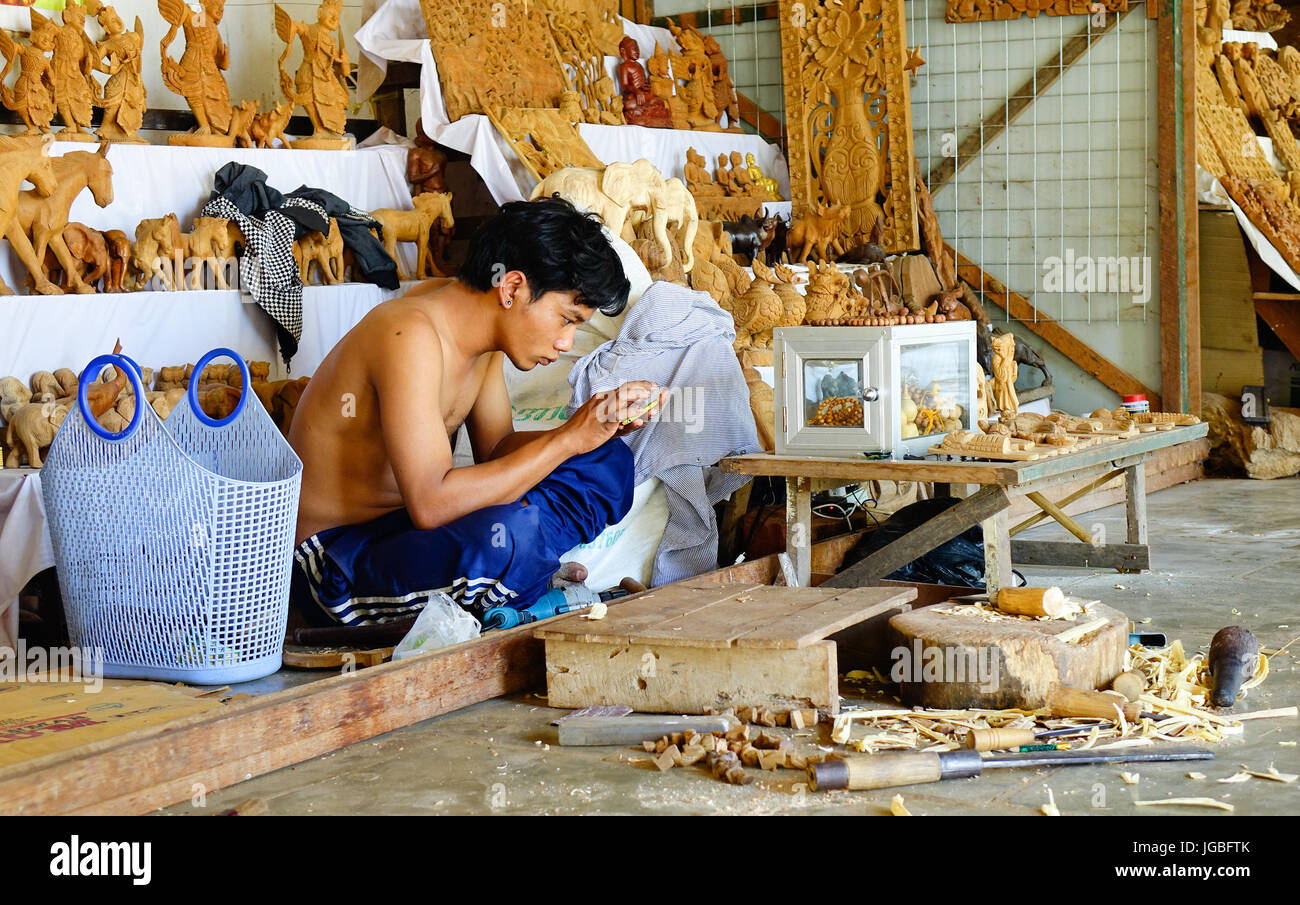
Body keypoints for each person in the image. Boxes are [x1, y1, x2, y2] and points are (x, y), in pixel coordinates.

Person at [288, 198, 664, 626]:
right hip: (339, 561)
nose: (565, 342)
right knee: (507, 536)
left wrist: (594, 433)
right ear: (512, 287)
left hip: (416, 535)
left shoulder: (478, 332)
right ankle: (520, 576)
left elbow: (499, 450)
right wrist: (565, 439)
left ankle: (518, 576)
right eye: (566, 319)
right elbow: (430, 505)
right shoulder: (409, 335)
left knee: (606, 462)